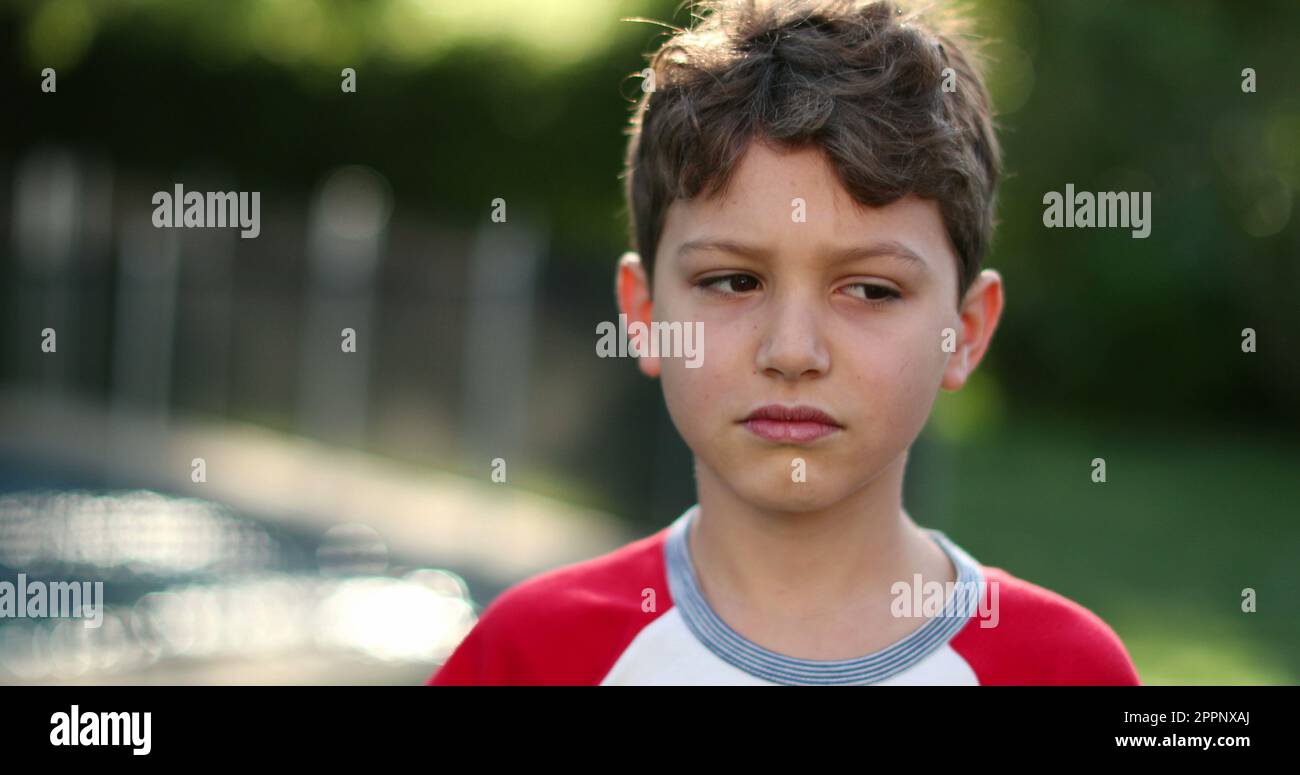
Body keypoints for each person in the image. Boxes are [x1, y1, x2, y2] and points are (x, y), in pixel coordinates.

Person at [428, 0, 1140, 685]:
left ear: (966, 331)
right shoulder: (531, 654)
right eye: (734, 281)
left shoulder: (1063, 669)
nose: (793, 351)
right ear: (643, 314)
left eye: (870, 290)